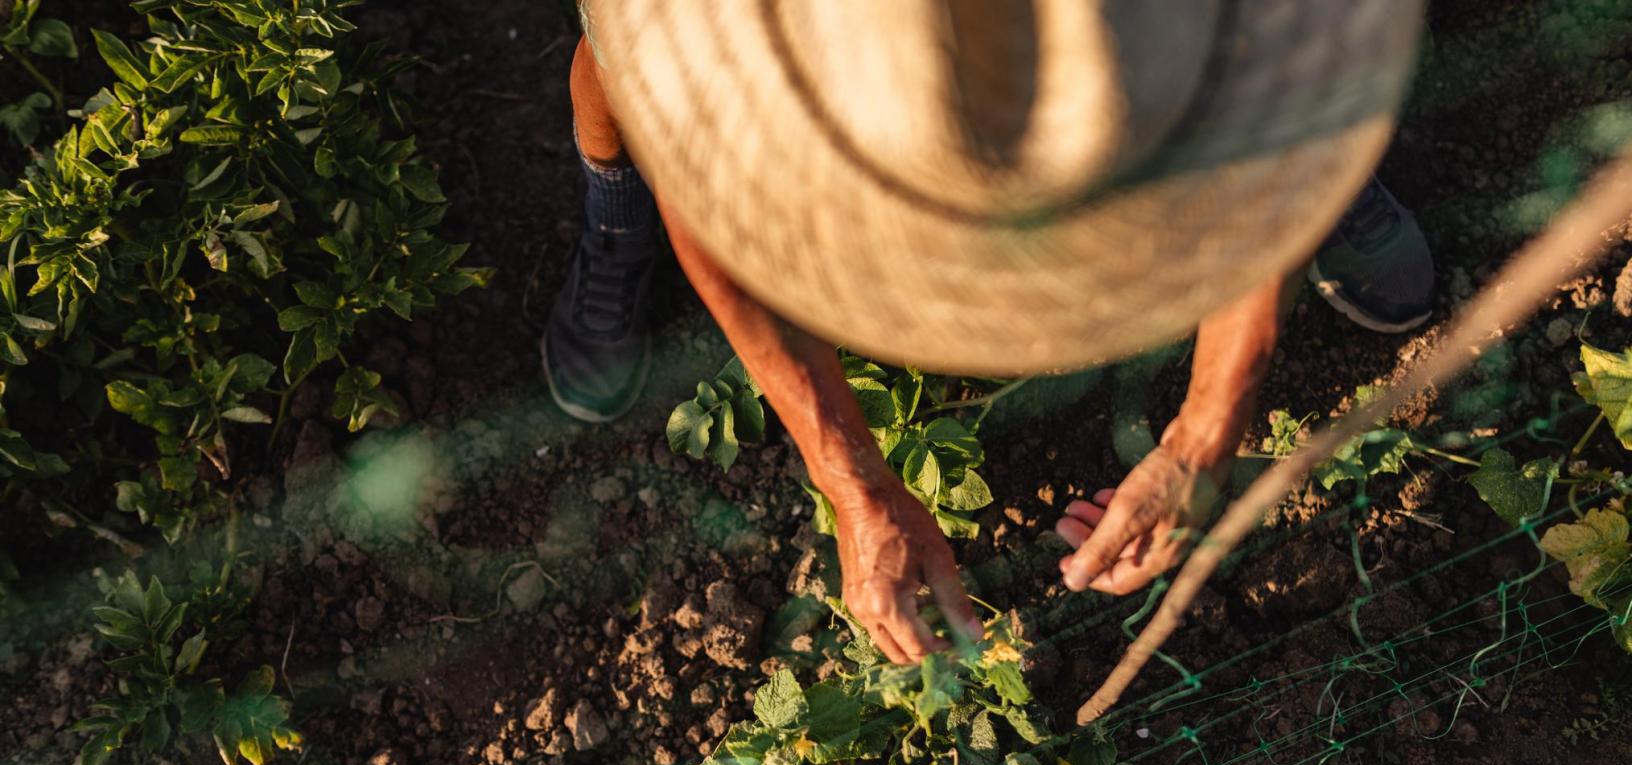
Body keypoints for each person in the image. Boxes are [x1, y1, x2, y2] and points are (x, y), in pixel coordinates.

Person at [543, 2, 1432, 666]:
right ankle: (614, 202)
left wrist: (1202, 443)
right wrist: (850, 481)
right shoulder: (718, 38)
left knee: (1270, 77)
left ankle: (1311, 172)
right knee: (626, 88)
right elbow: (713, 219)